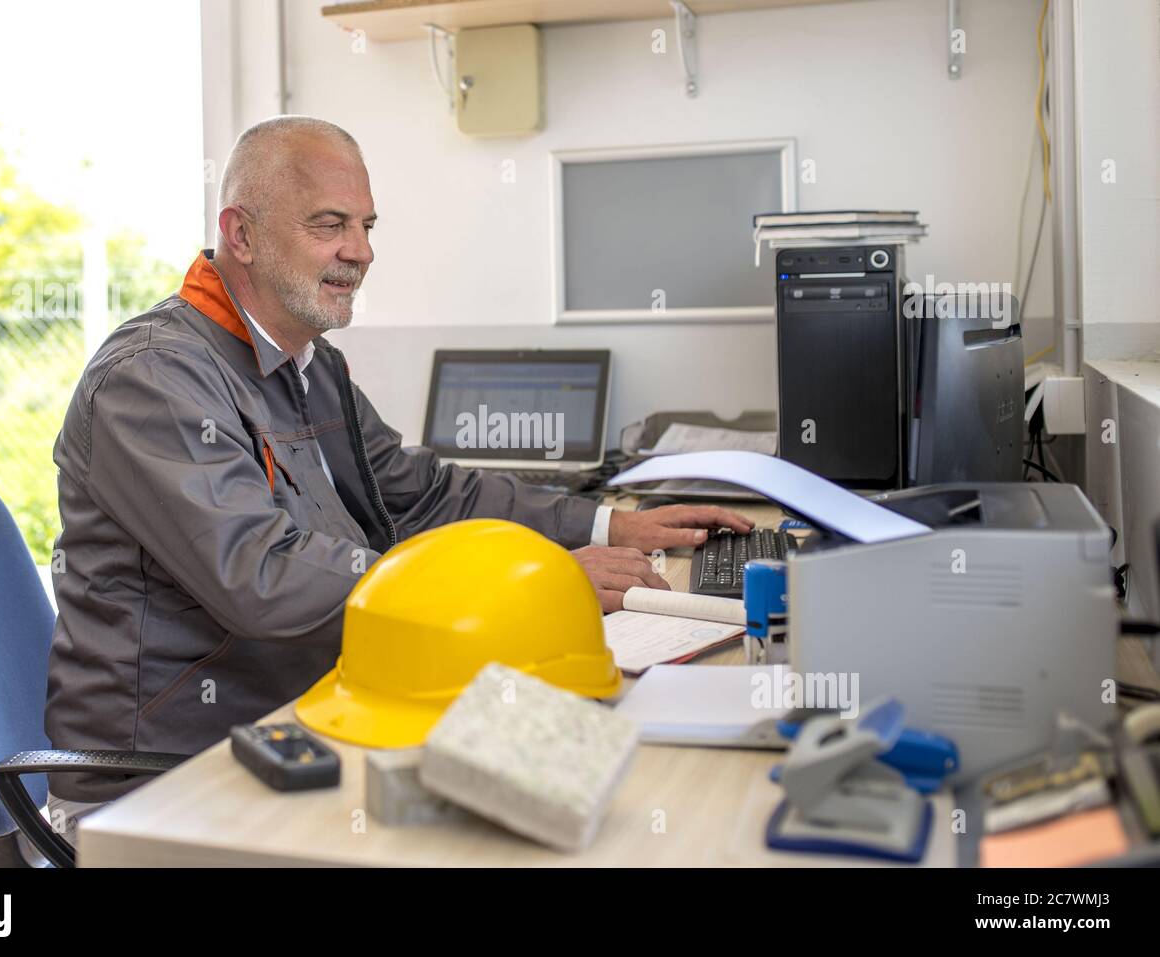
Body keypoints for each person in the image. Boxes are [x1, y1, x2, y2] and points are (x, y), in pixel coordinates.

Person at [44, 116, 752, 823]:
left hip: (320, 713)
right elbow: (263, 575)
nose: (360, 251)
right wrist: (527, 586)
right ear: (243, 235)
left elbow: (423, 497)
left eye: (366, 225)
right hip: (178, 775)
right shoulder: (153, 379)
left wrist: (608, 522)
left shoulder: (311, 365)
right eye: (329, 225)